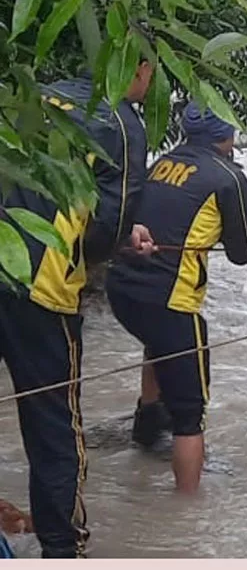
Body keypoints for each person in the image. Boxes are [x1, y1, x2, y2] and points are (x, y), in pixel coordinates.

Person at [0, 63, 158, 558]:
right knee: (53, 425)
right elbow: (110, 224)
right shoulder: (122, 121)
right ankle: (62, 550)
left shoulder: (38, 96)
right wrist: (116, 245)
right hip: (41, 291)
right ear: (139, 68)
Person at [104, 100, 247, 495]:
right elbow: (241, 256)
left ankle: (146, 430)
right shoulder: (229, 177)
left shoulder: (164, 163)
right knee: (191, 415)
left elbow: (178, 218)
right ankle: (186, 510)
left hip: (121, 289)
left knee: (157, 344)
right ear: (227, 137)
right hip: (170, 301)